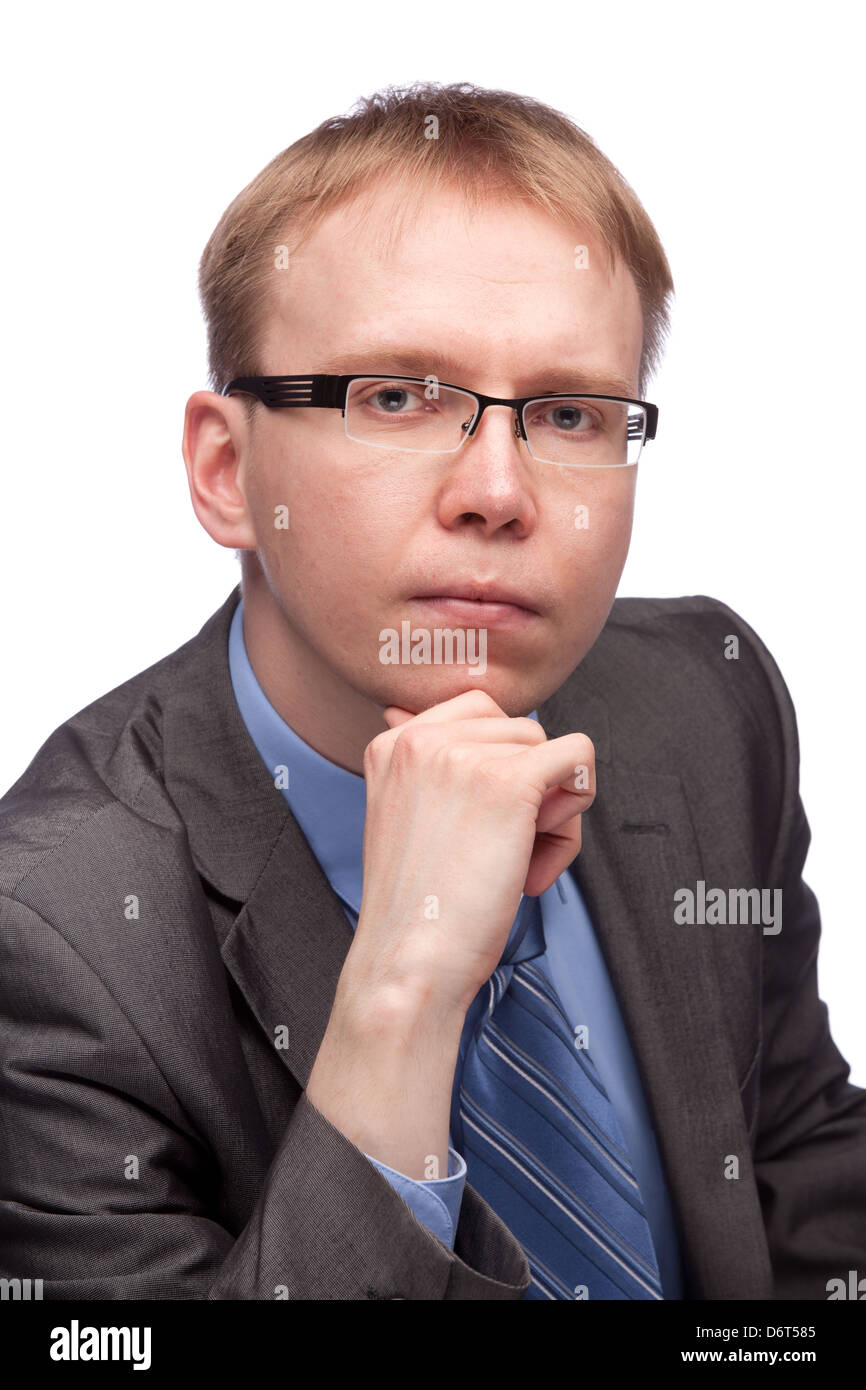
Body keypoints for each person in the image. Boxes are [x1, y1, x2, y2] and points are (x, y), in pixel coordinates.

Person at [1, 81, 863, 1302]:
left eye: (569, 412)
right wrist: (401, 992)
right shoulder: (49, 938)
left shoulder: (703, 707)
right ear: (225, 469)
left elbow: (794, 1165)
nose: (499, 491)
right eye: (398, 398)